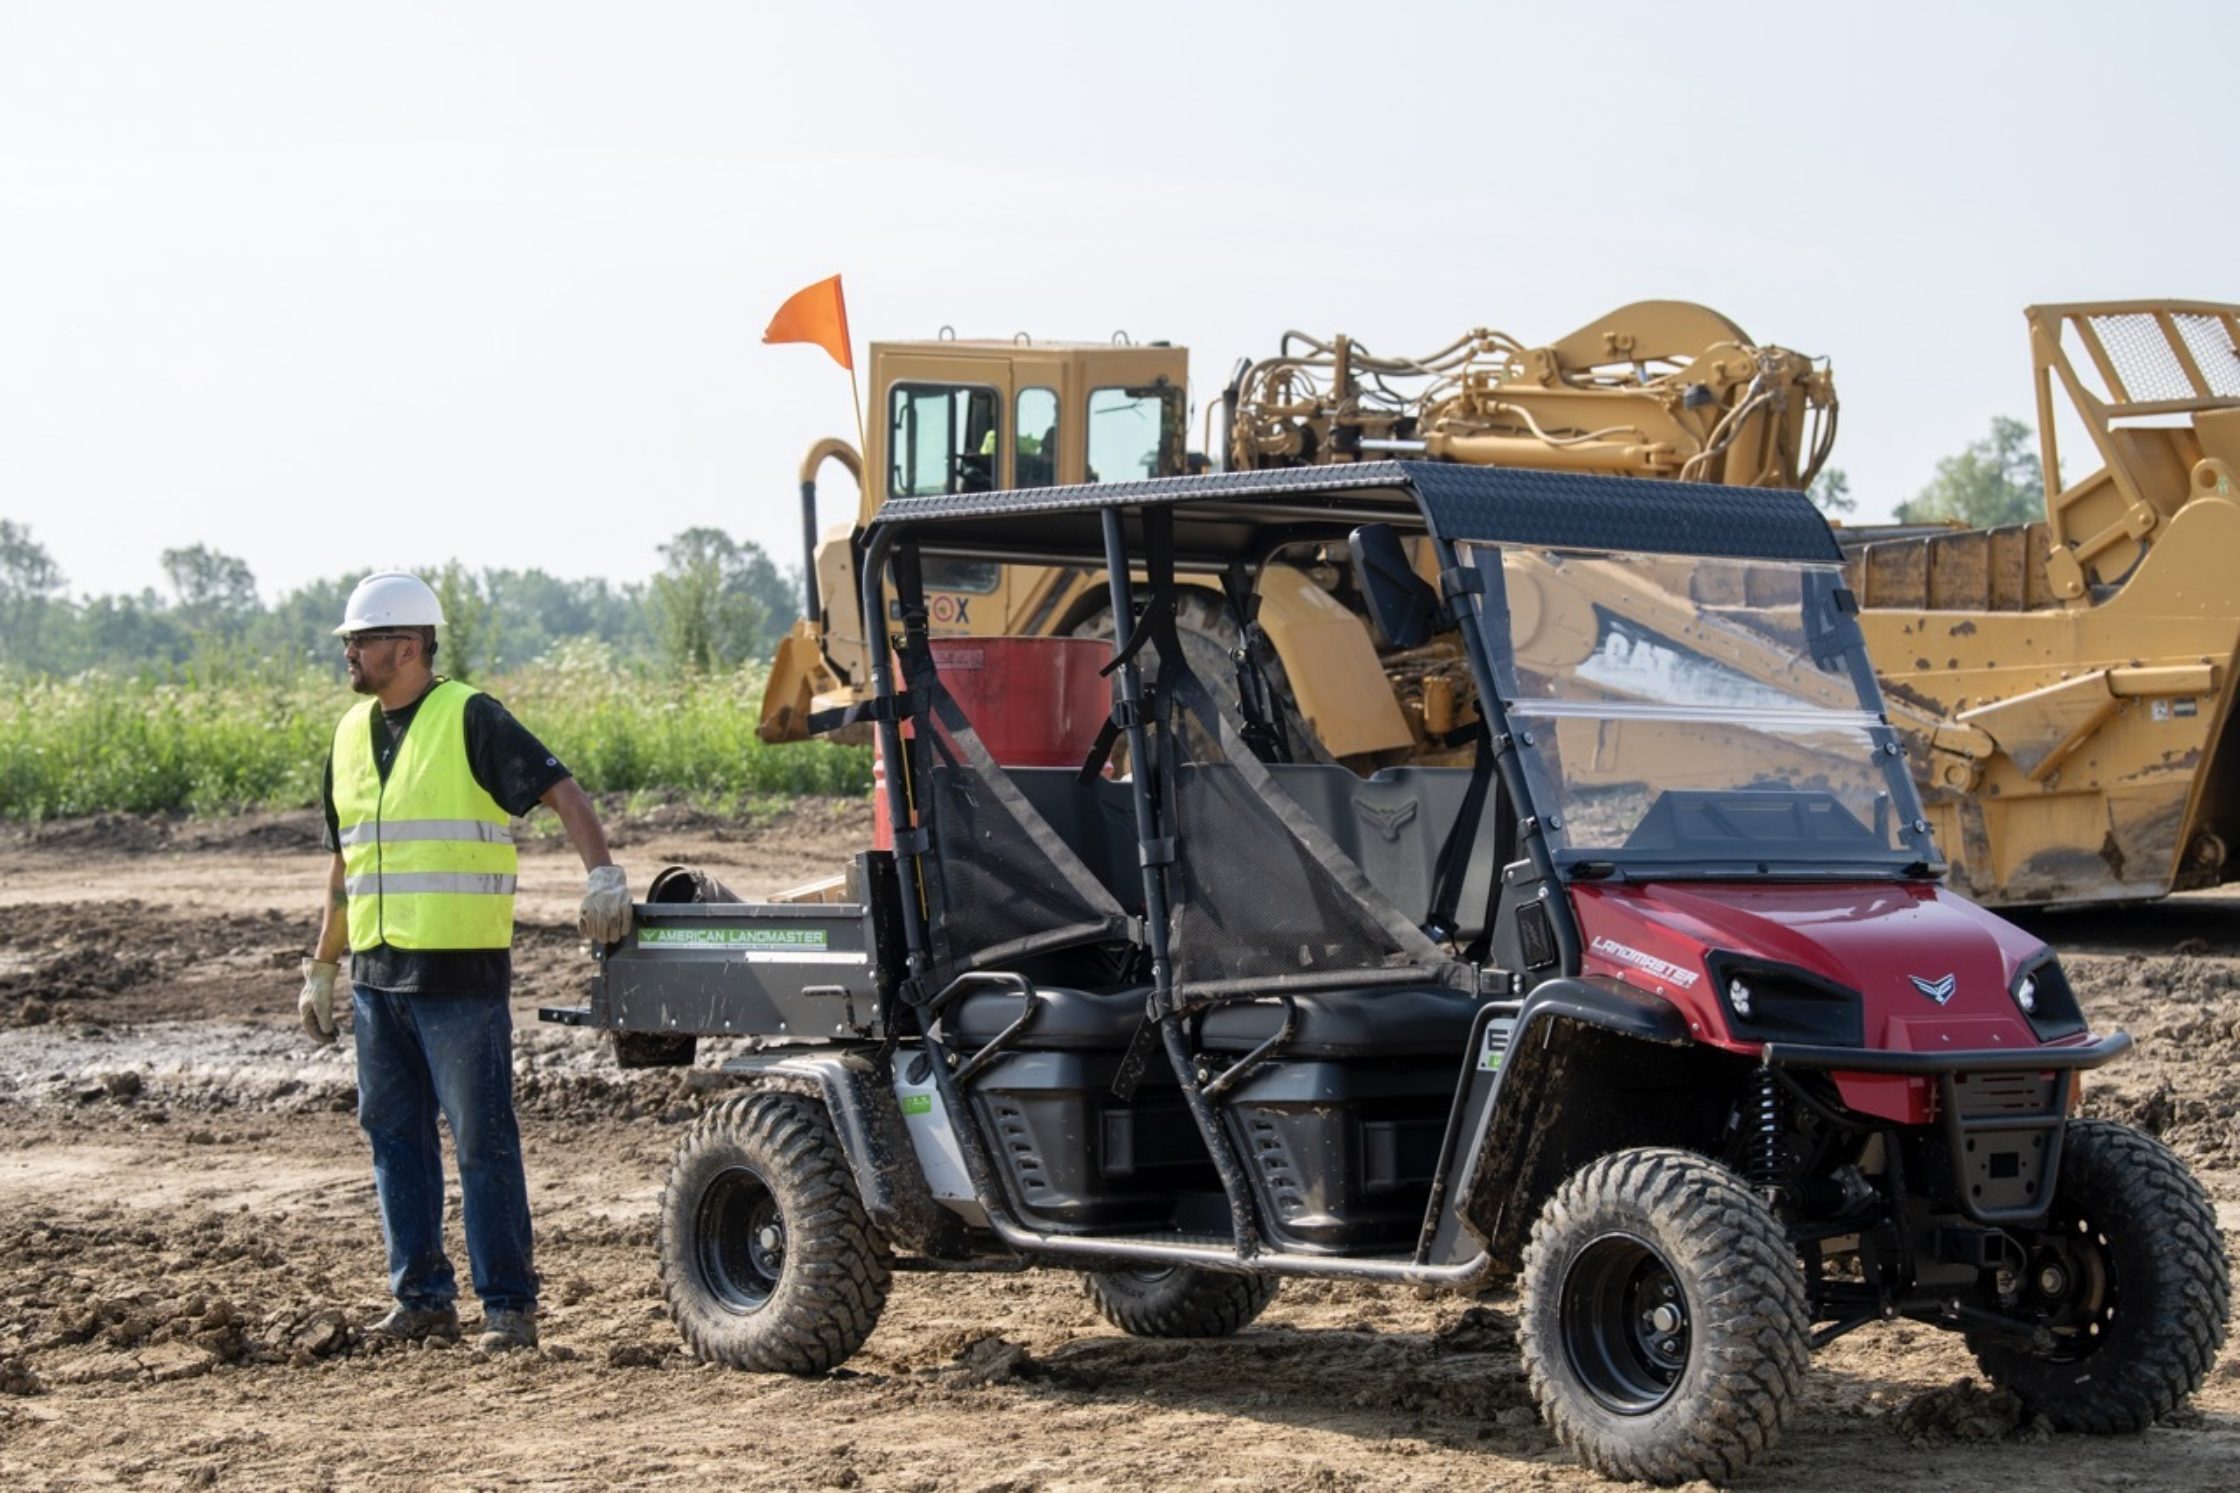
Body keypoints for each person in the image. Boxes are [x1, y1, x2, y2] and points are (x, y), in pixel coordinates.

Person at [296, 571, 634, 1354]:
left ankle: (507, 1306)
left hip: (458, 978)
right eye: (349, 639)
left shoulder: (469, 715)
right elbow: (346, 864)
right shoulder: (350, 736)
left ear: (407, 646)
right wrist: (322, 965)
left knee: (481, 1139)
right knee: (394, 1136)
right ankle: (421, 1299)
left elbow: (561, 790)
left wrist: (603, 874)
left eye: (362, 639)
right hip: (378, 979)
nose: (349, 651)